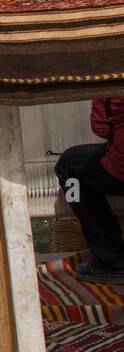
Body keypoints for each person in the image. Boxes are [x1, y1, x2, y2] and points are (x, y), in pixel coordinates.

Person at [56, 99, 124, 284]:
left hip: (121, 171)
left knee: (67, 169)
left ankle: (114, 260)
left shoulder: (107, 71)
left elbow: (101, 128)